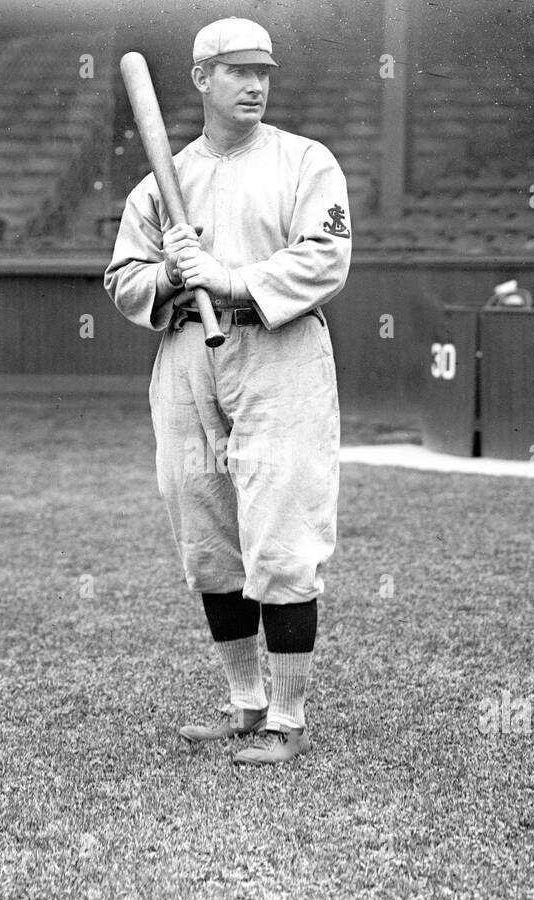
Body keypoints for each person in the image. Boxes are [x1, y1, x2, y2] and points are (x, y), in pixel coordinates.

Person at [105, 17, 351, 765]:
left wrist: (232, 278)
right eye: (238, 71)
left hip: (279, 348)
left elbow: (326, 259)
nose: (255, 84)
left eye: (263, 72)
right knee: (206, 531)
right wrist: (175, 278)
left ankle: (288, 715)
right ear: (202, 80)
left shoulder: (306, 162)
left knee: (281, 529)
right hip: (187, 351)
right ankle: (245, 703)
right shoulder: (164, 179)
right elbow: (122, 279)